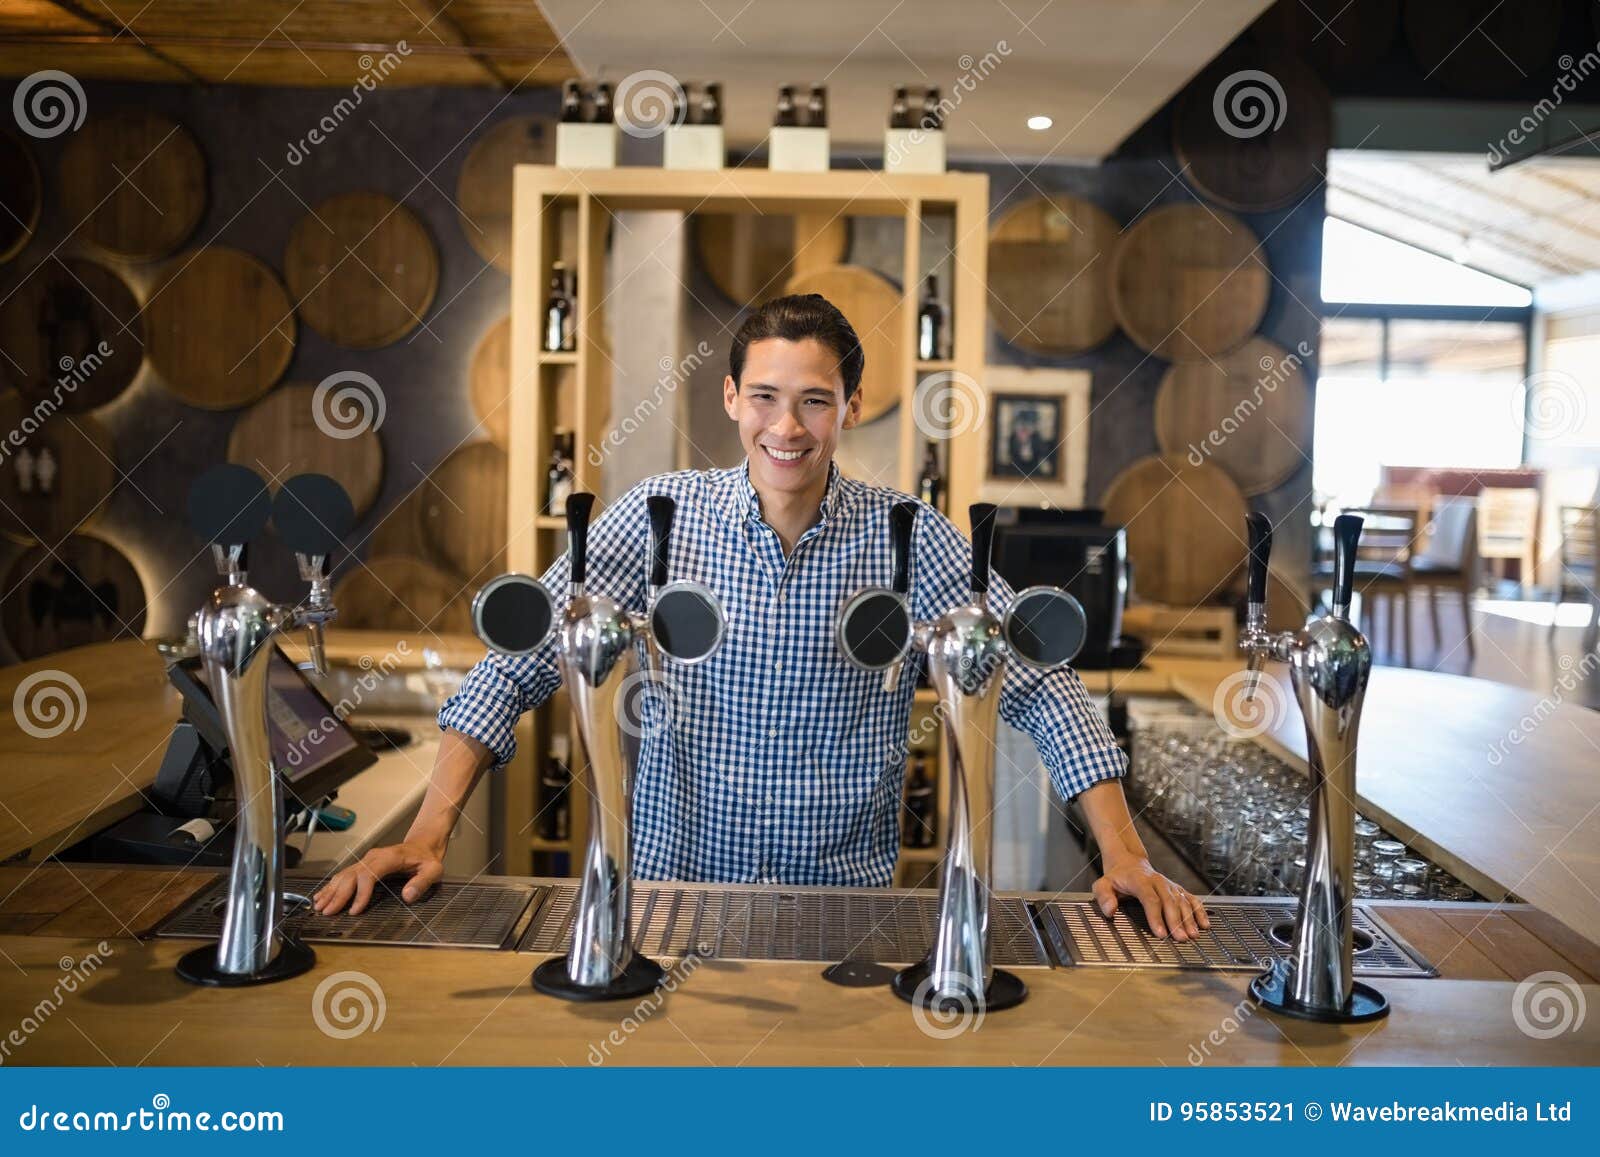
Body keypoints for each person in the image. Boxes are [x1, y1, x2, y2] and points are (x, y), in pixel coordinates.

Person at [315, 294, 1208, 940]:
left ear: (850, 407)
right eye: (768, 397)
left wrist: (1121, 851)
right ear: (734, 399)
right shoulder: (659, 519)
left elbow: (1040, 682)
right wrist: (427, 831)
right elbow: (517, 660)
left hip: (844, 911)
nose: (790, 425)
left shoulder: (906, 536)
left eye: (816, 399)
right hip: (668, 898)